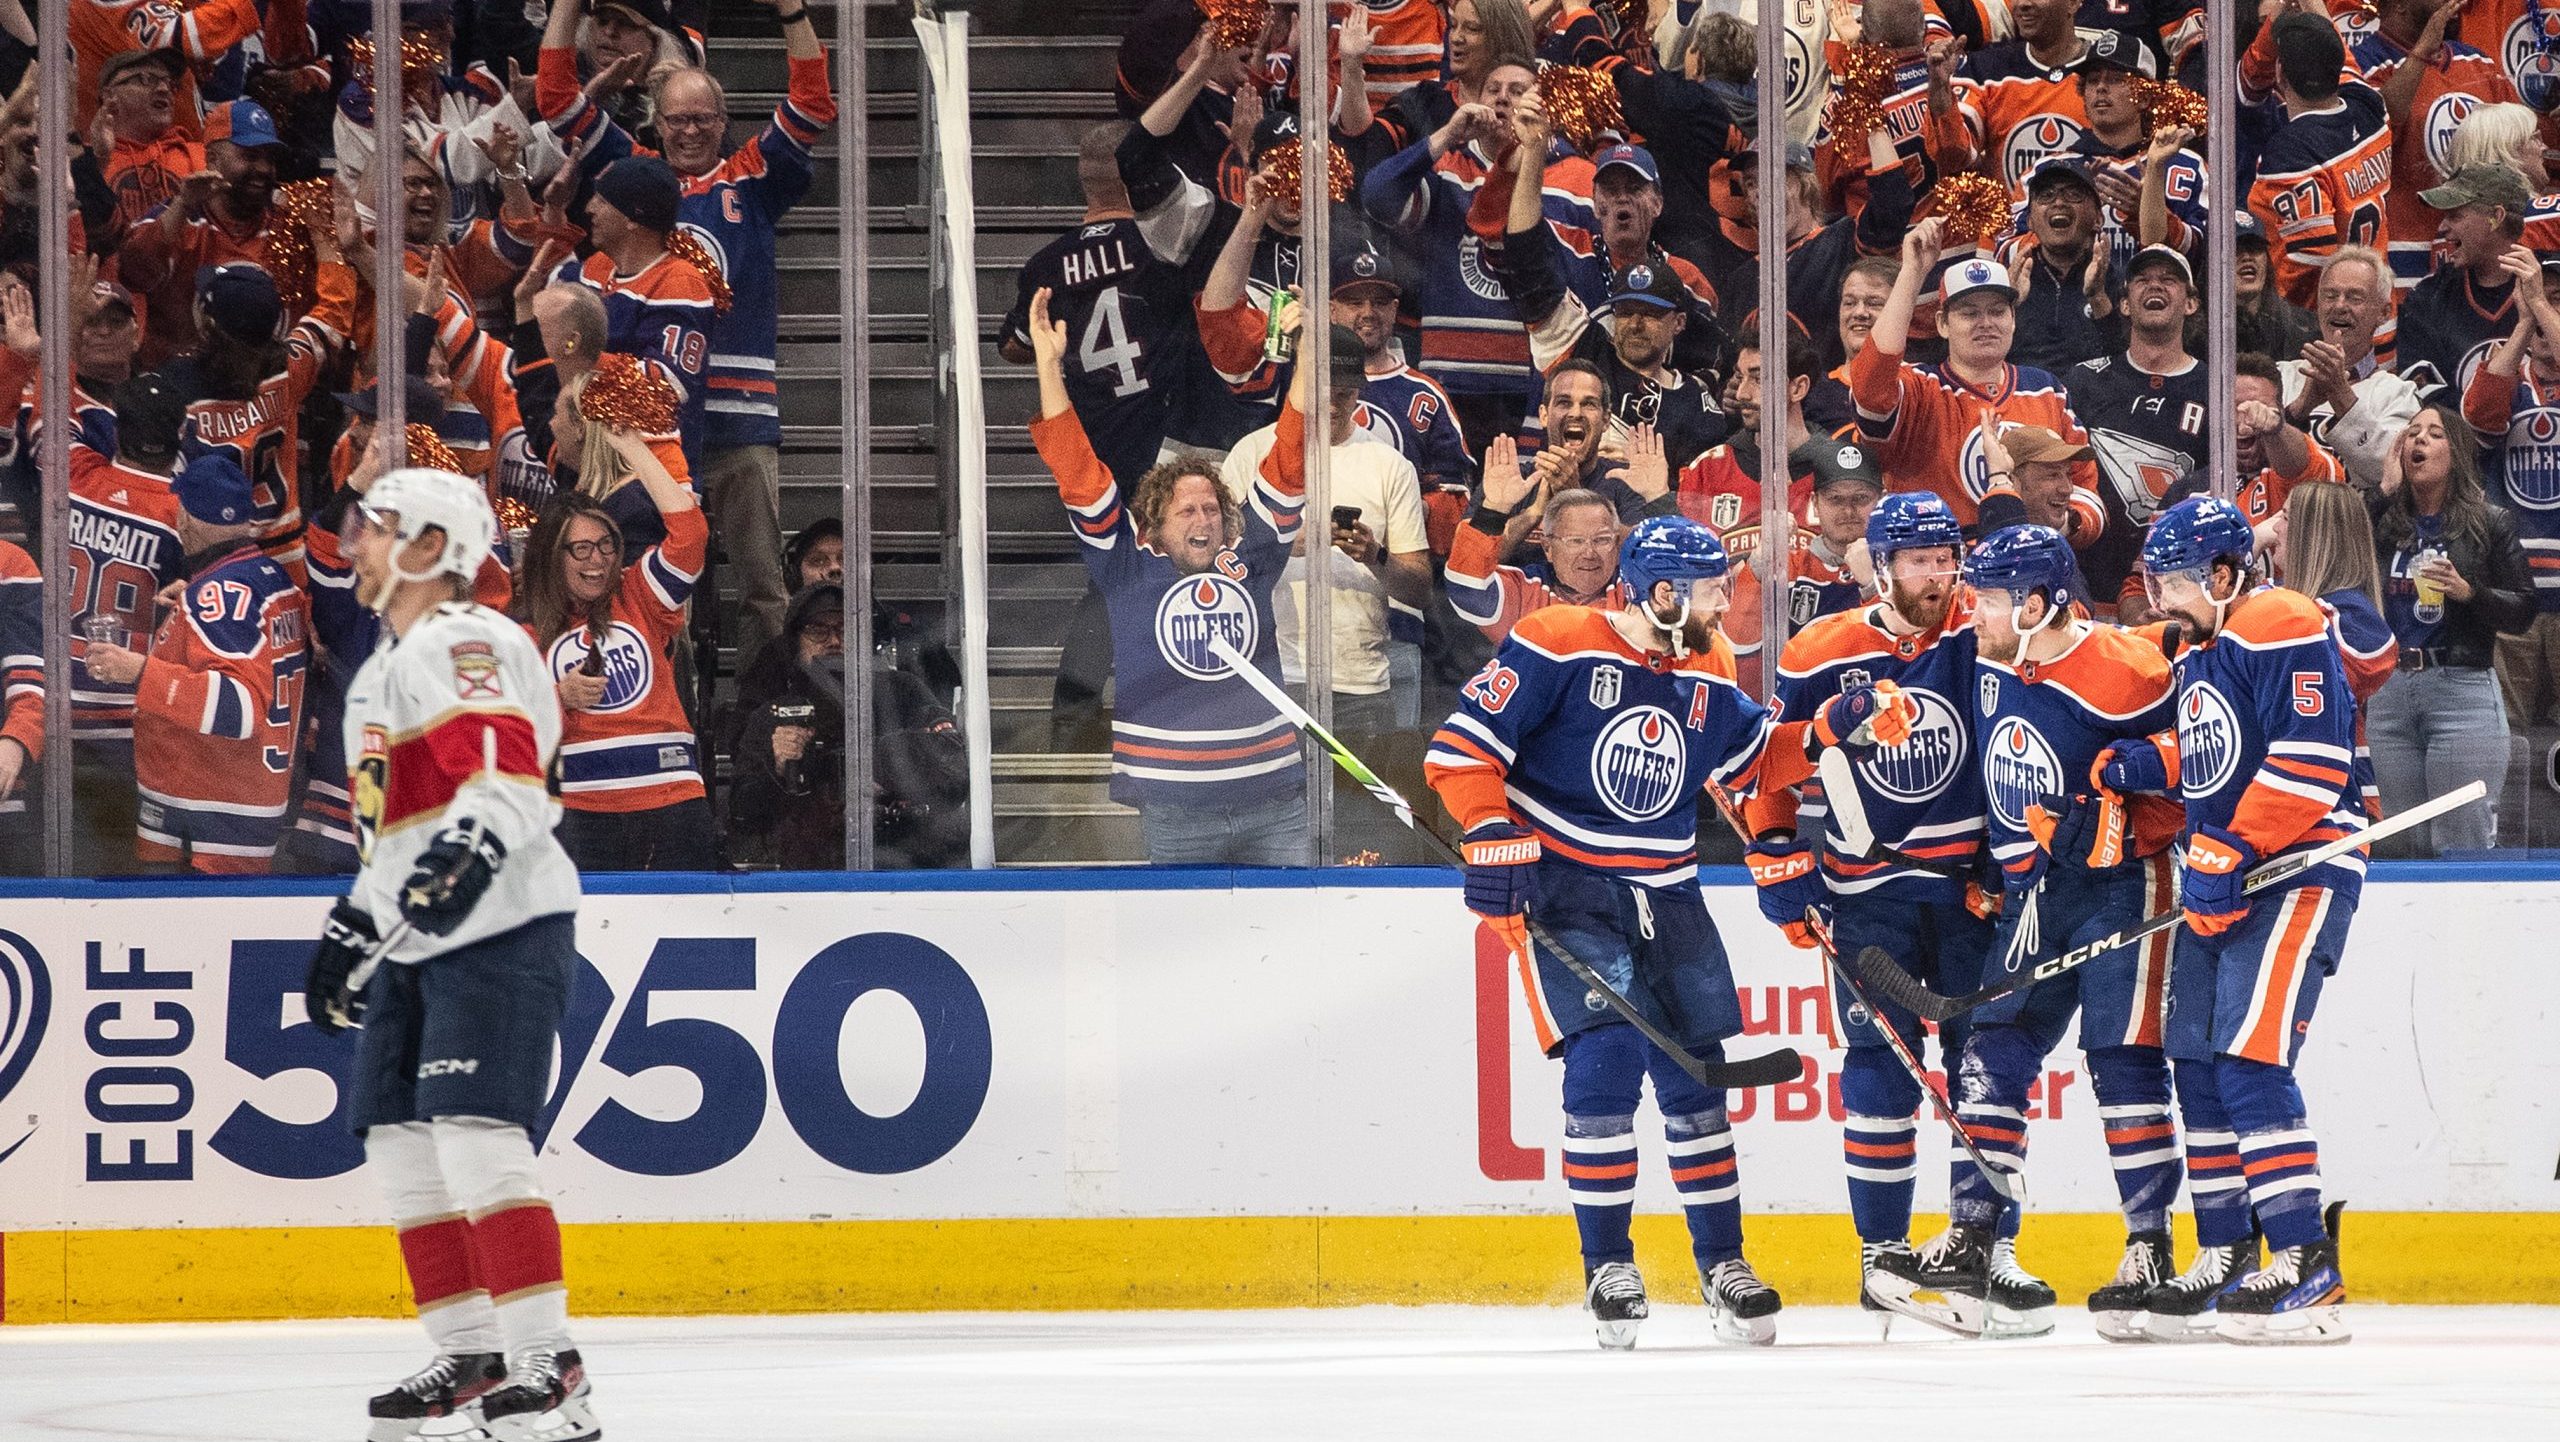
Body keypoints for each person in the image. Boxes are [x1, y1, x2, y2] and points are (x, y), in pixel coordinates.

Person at [1426, 515, 1889, 1349]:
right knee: (1602, 1069)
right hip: (1570, 888)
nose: (1726, 602)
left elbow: (1752, 762)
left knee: (1697, 1083)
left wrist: (1825, 733)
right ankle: (1608, 1264)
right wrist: (1488, 827)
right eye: (1712, 589)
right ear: (1666, 592)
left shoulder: (1706, 664)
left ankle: (1723, 1265)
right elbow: (1461, 752)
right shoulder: (1557, 638)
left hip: (1670, 891)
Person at [298, 466, 597, 1442]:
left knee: (473, 1131)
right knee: (397, 1138)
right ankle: (469, 1351)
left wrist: (472, 845)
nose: (358, 544)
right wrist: (355, 919)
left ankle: (547, 1365)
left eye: (379, 528)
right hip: (418, 941)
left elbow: (506, 765)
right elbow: (394, 831)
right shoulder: (384, 667)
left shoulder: (469, 635)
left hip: (503, 923)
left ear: (431, 547)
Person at [1865, 524, 2184, 1343]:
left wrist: (2136, 800)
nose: (1975, 613)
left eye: (1995, 601)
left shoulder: (2130, 671)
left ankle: (2150, 1250)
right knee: (1991, 1053)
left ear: (2039, 604)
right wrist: (1987, 865)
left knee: (2124, 1064)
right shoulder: (1993, 663)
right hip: (2033, 897)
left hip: (2123, 892)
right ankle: (1973, 1240)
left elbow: (2204, 754)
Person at [1745, 492, 2018, 1331]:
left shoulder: (1986, 633)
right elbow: (1769, 767)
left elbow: (2025, 736)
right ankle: (1881, 1255)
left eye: (1946, 559)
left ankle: (1983, 1247)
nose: (1938, 576)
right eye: (1919, 562)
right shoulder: (1825, 647)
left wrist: (2006, 860)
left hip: (1970, 894)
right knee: (1881, 1069)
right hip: (1869, 898)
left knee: (1988, 1070)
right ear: (1881, 564)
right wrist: (1775, 855)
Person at [2097, 495, 2364, 1344]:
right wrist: (2151, 763)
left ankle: (2303, 1259)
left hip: (2298, 872)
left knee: (2249, 1061)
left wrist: (2231, 847)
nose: (2159, 598)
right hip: (2230, 878)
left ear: (2220, 573)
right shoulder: (2206, 649)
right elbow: (2223, 751)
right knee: (2200, 1066)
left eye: (2173, 581)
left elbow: (2309, 758)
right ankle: (2223, 1252)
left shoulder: (2276, 617)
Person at [539, 0, 836, 665]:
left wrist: (791, 12)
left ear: (723, 121)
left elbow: (813, 103)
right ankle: (670, 705)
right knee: (660, 588)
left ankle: (771, 708)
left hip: (740, 421)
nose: (691, 132)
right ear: (657, 120)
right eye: (678, 119)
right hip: (655, 435)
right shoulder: (633, 179)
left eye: (704, 119)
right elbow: (558, 98)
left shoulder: (751, 179)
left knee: (763, 586)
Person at [1027, 285, 1309, 865]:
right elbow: (1078, 471)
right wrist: (1048, 365)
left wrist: (1305, 360)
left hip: (1276, 802)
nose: (1204, 518)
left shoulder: (1249, 557)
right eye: (1187, 510)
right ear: (1153, 525)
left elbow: (1290, 457)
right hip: (1176, 809)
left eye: (1212, 508)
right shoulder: (1128, 565)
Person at [81, 455, 308, 873]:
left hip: (207, 817)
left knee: (183, 936)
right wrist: (197, 598)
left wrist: (138, 671)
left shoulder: (219, 594)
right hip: (242, 804)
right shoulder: (272, 579)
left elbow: (239, 710)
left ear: (188, 518)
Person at [517, 417, 712, 870]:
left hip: (674, 797)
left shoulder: (638, 592)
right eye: (581, 549)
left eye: (606, 546)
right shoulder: (524, 634)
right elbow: (505, 735)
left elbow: (690, 536)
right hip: (584, 813)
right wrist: (558, 697)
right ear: (551, 556)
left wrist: (634, 448)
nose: (598, 561)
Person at [1219, 331, 1433, 734]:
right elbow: (1216, 564)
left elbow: (1420, 589)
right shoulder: (1252, 453)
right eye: (1324, 390)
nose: (1334, 404)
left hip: (1359, 679)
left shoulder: (1390, 465)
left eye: (1347, 392)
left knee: (1358, 799)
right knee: (1280, 799)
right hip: (1270, 672)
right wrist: (1282, 544)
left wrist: (1375, 556)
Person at [1852, 219, 2108, 541]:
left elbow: (2087, 490)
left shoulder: (2046, 389)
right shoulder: (1921, 388)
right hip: (1942, 571)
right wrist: (1911, 274)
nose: (1986, 323)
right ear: (1943, 324)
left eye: (1998, 311)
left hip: (2032, 565)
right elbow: (1869, 390)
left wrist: (2063, 525)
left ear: (2013, 320)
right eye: (1970, 313)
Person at [2365, 403, 2535, 854]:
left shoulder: (2490, 522)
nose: (2418, 439)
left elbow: (2524, 609)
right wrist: (2383, 490)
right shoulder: (2380, 521)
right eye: (2412, 432)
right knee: (2396, 841)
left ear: (2456, 453)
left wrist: (2470, 593)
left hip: (2461, 689)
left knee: (2461, 838)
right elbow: (2340, 545)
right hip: (2389, 691)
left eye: (2434, 433)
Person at [725, 579, 967, 871]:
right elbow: (743, 817)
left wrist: (877, 765)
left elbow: (955, 771)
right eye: (817, 630)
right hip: (809, 879)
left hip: (905, 867)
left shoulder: (904, 690)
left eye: (845, 628)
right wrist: (775, 768)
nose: (834, 640)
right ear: (795, 642)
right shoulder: (776, 711)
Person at [1000, 123, 1191, 485]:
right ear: (1136, 174)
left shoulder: (1045, 265)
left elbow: (1014, 346)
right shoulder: (1166, 243)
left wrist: (1069, 335)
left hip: (1095, 445)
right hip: (1170, 441)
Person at [544, 154, 719, 459]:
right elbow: (547, 298)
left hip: (654, 477)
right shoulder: (597, 268)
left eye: (602, 200)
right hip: (593, 467)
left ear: (633, 218)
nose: (589, 208)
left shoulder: (681, 284)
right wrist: (554, 210)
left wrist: (579, 356)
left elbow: (663, 387)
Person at [2067, 243, 2210, 610]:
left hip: (2182, 590)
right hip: (2091, 590)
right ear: (2125, 304)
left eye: (2169, 279)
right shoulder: (2084, 381)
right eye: (2142, 279)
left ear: (2191, 303)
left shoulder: (2216, 387)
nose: (2155, 286)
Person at [2360, 0, 2525, 292]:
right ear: (2400, 6)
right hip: (2404, 250)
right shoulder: (2363, 63)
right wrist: (2421, 51)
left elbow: (2518, 146)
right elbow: (2380, 125)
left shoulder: (2478, 61)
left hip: (2483, 251)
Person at [2462, 248, 2560, 729]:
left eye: (2559, 300)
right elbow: (2478, 416)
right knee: (2509, 742)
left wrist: (2540, 303)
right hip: (2515, 594)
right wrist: (2525, 322)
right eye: (2543, 296)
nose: (2547, 310)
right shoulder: (2510, 377)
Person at [2243, 12, 2393, 311]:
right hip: (2378, 310)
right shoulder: (2369, 107)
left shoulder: (2290, 153)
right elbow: (2346, 60)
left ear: (2280, 74)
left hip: (2329, 327)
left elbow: (2311, 260)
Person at [2278, 246, 2421, 494]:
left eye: (2355, 297)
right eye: (2330, 295)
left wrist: (2340, 394)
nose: (2340, 306)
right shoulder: (2280, 376)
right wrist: (2299, 409)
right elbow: (2247, 459)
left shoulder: (2398, 394)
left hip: (2357, 527)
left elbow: (2395, 477)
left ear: (2384, 313)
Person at [1446, 469, 1626, 644]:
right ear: (1547, 547)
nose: (1589, 553)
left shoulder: (1633, 589)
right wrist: (1494, 510)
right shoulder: (1524, 589)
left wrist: (1655, 502)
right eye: (1575, 541)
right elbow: (1466, 587)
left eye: (1601, 540)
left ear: (1616, 542)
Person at [2396, 164, 2528, 402]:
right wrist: (2479, 417)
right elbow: (2420, 390)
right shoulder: (2428, 298)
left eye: (2455, 216)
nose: (2442, 227)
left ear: (2496, 217)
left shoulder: (2550, 285)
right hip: (2459, 437)